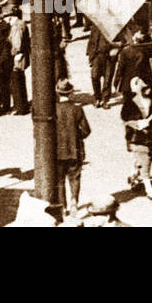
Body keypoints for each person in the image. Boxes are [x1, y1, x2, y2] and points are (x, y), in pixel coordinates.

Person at [121, 75, 152, 200]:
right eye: (145, 87)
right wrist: (137, 124)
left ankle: (134, 175)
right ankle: (149, 190)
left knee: (148, 158)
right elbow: (125, 118)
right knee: (145, 162)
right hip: (137, 137)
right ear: (137, 89)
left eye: (149, 87)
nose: (148, 90)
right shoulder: (130, 103)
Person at [56, 79, 91, 216]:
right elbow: (86, 130)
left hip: (58, 151)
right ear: (70, 93)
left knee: (59, 180)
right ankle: (74, 202)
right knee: (75, 177)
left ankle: (63, 207)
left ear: (58, 93)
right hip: (75, 150)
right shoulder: (77, 109)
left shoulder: (54, 109)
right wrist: (77, 136)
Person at [113, 29, 152, 96]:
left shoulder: (125, 50)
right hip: (144, 81)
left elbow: (120, 68)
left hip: (128, 84)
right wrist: (149, 40)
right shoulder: (145, 50)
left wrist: (116, 82)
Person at [86, 23, 119, 108]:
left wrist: (116, 49)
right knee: (94, 77)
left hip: (109, 57)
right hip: (97, 55)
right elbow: (91, 41)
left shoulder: (114, 28)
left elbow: (121, 42)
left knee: (107, 79)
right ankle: (97, 98)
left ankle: (105, 100)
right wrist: (90, 57)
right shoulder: (95, 27)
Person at [7, 5, 30, 115]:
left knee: (16, 83)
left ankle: (19, 107)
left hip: (17, 59)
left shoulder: (16, 26)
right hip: (22, 58)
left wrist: (10, 54)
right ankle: (23, 105)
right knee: (20, 81)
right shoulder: (22, 23)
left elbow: (17, 44)